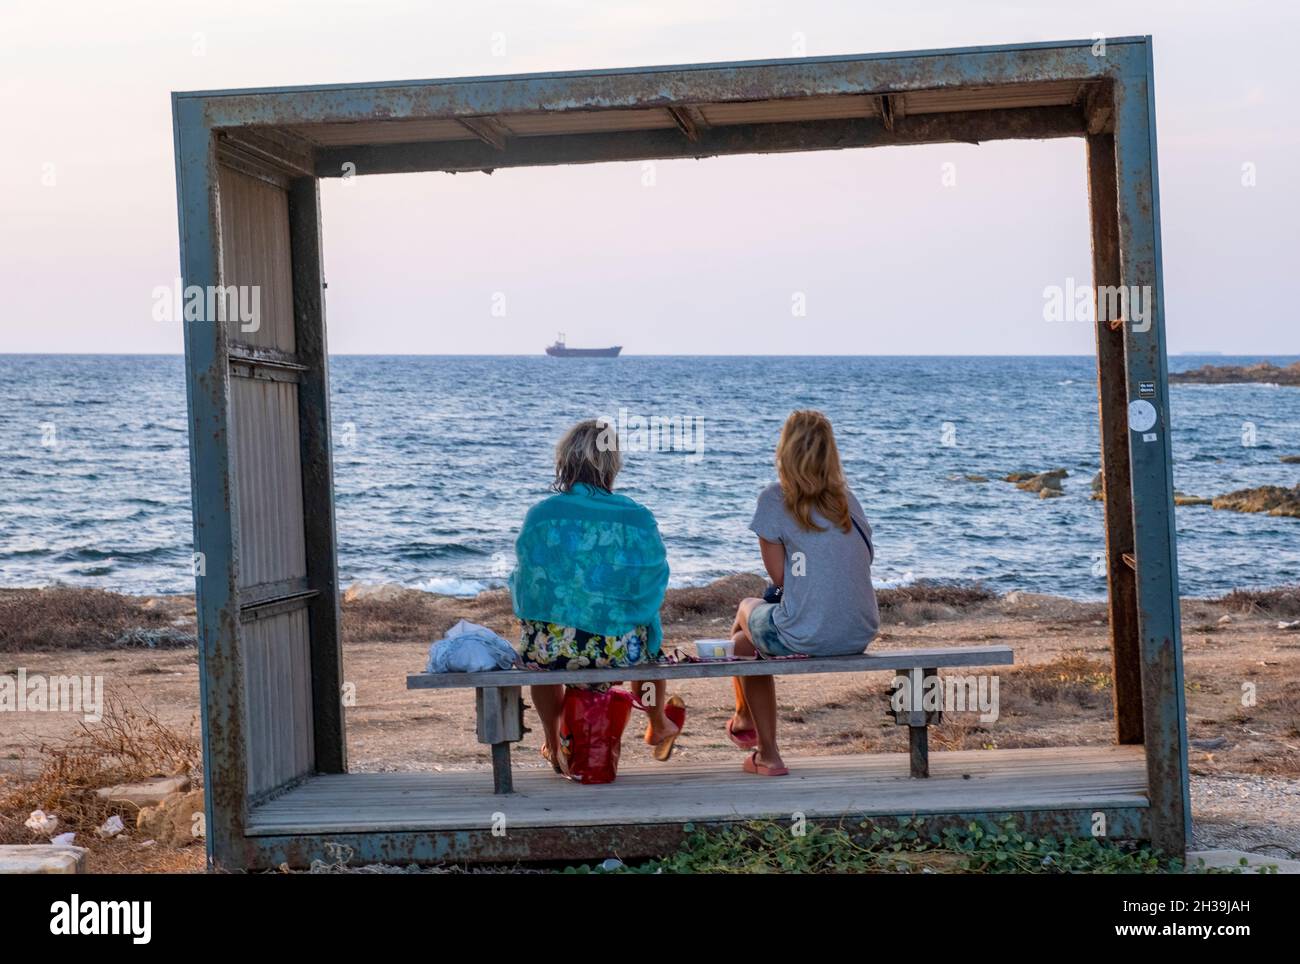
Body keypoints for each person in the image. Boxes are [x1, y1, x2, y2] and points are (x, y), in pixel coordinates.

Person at [509, 419, 683, 775]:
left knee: (541, 647)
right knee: (648, 635)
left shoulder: (541, 514)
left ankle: (554, 742)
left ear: (565, 463)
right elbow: (654, 578)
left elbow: (525, 582)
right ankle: (657, 721)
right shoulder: (635, 516)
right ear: (611, 465)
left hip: (552, 649)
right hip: (617, 649)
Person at [727, 410, 879, 776]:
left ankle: (761, 743)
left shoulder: (774, 498)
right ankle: (747, 723)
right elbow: (863, 560)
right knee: (744, 647)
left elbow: (779, 578)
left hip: (806, 633)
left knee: (745, 610)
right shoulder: (848, 502)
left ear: (785, 451)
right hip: (858, 633)